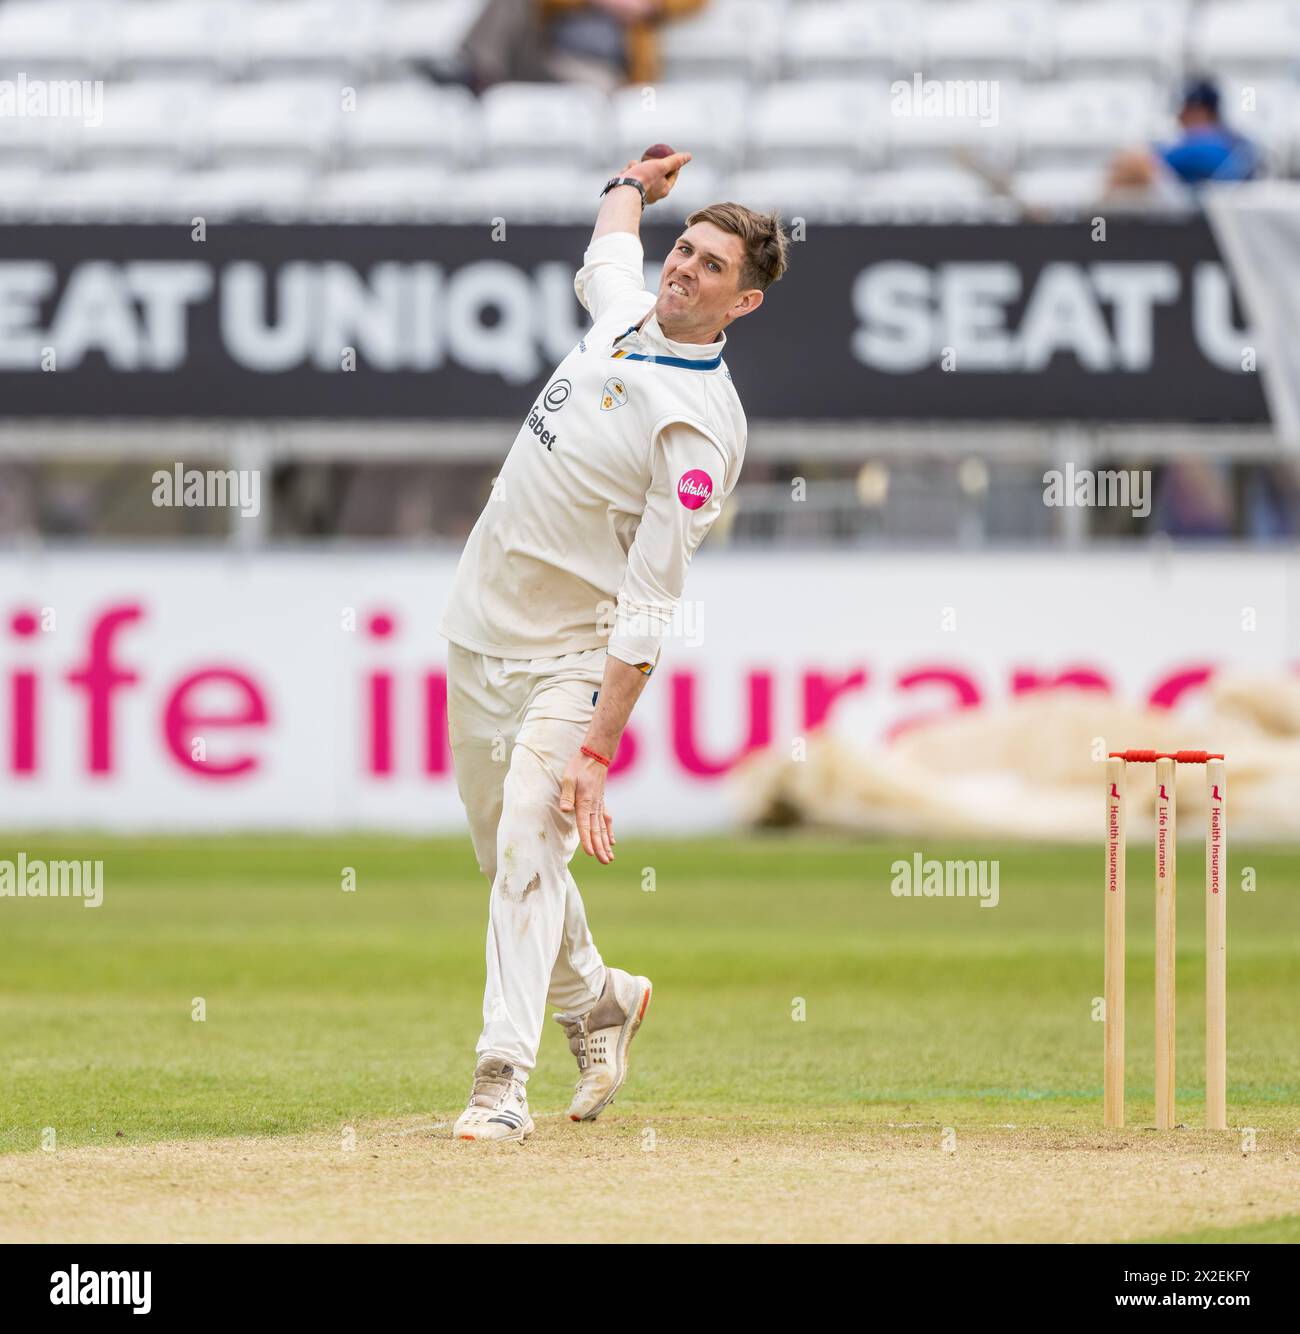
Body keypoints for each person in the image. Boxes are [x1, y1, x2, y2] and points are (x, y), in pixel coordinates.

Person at [438, 151, 789, 1141]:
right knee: (507, 852)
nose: (683, 268)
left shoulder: (699, 429)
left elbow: (649, 605)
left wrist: (596, 748)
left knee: (523, 845)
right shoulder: (624, 314)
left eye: (712, 266)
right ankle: (598, 999)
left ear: (743, 302)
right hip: (479, 627)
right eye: (685, 249)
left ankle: (498, 1082)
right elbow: (606, 255)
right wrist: (631, 184)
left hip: (572, 652)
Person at [1107, 78, 1259, 199]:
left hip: (1205, 227)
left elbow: (1144, 159)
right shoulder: (1232, 141)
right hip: (1212, 220)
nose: (1179, 118)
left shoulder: (1207, 145)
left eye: (1184, 111)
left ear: (1199, 111)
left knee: (1134, 163)